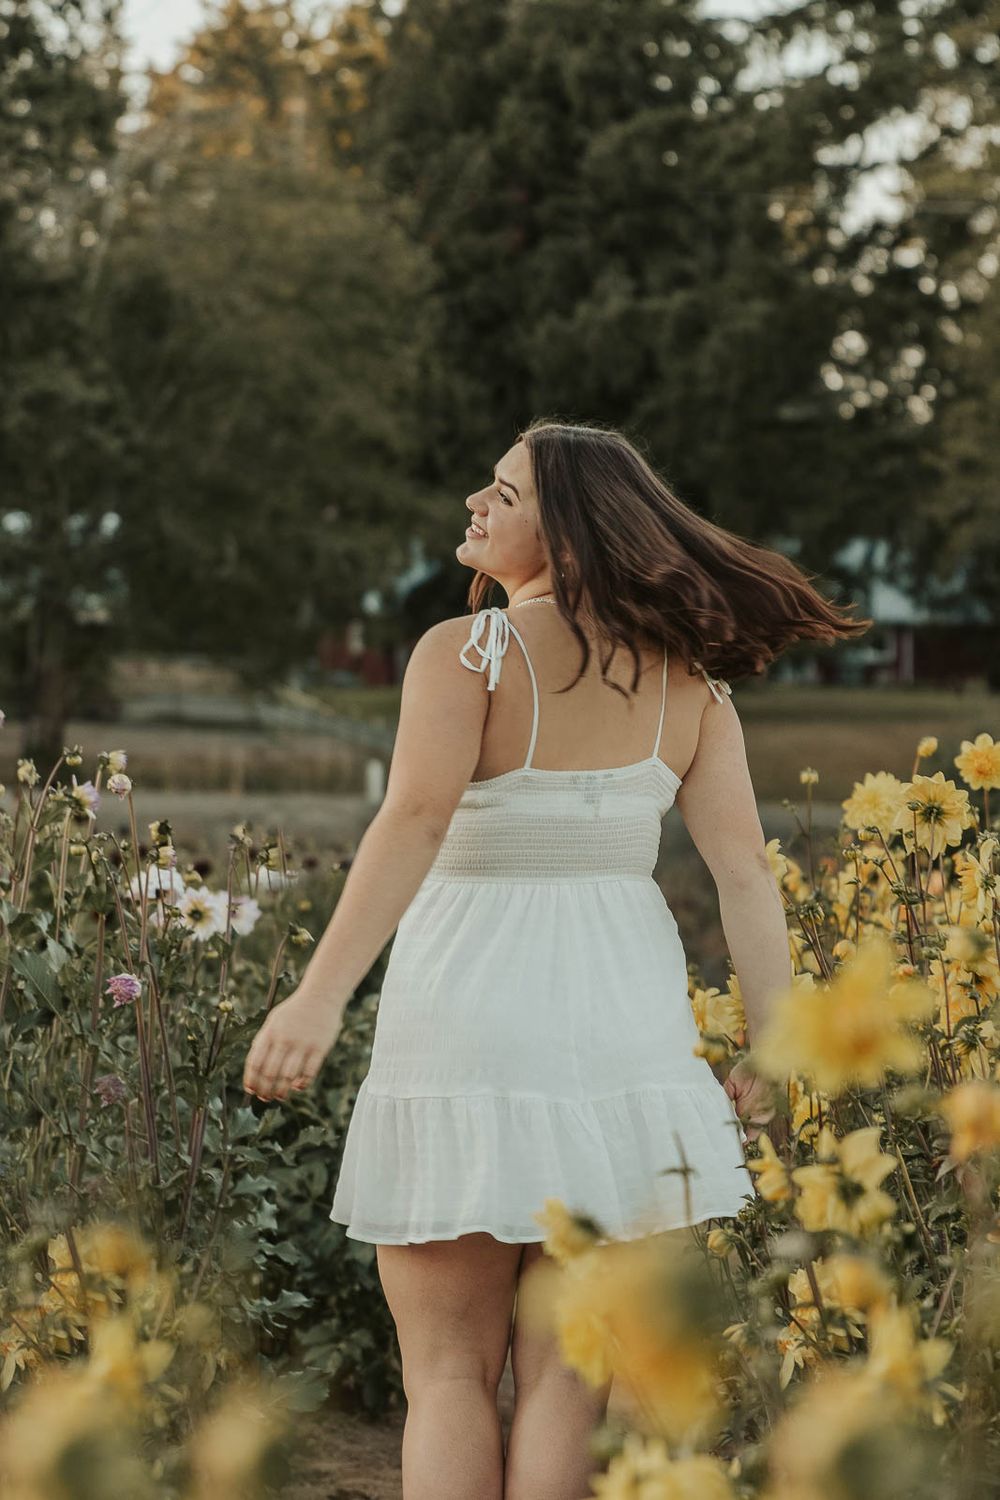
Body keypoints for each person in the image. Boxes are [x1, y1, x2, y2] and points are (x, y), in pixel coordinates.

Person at [242, 418, 872, 1499]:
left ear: (570, 537)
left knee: (444, 1373)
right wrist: (771, 1048)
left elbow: (413, 821)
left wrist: (315, 997)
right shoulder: (694, 689)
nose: (476, 508)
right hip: (621, 1041)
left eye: (505, 495)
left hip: (470, 1022)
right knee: (569, 1378)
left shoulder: (465, 651)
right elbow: (746, 878)